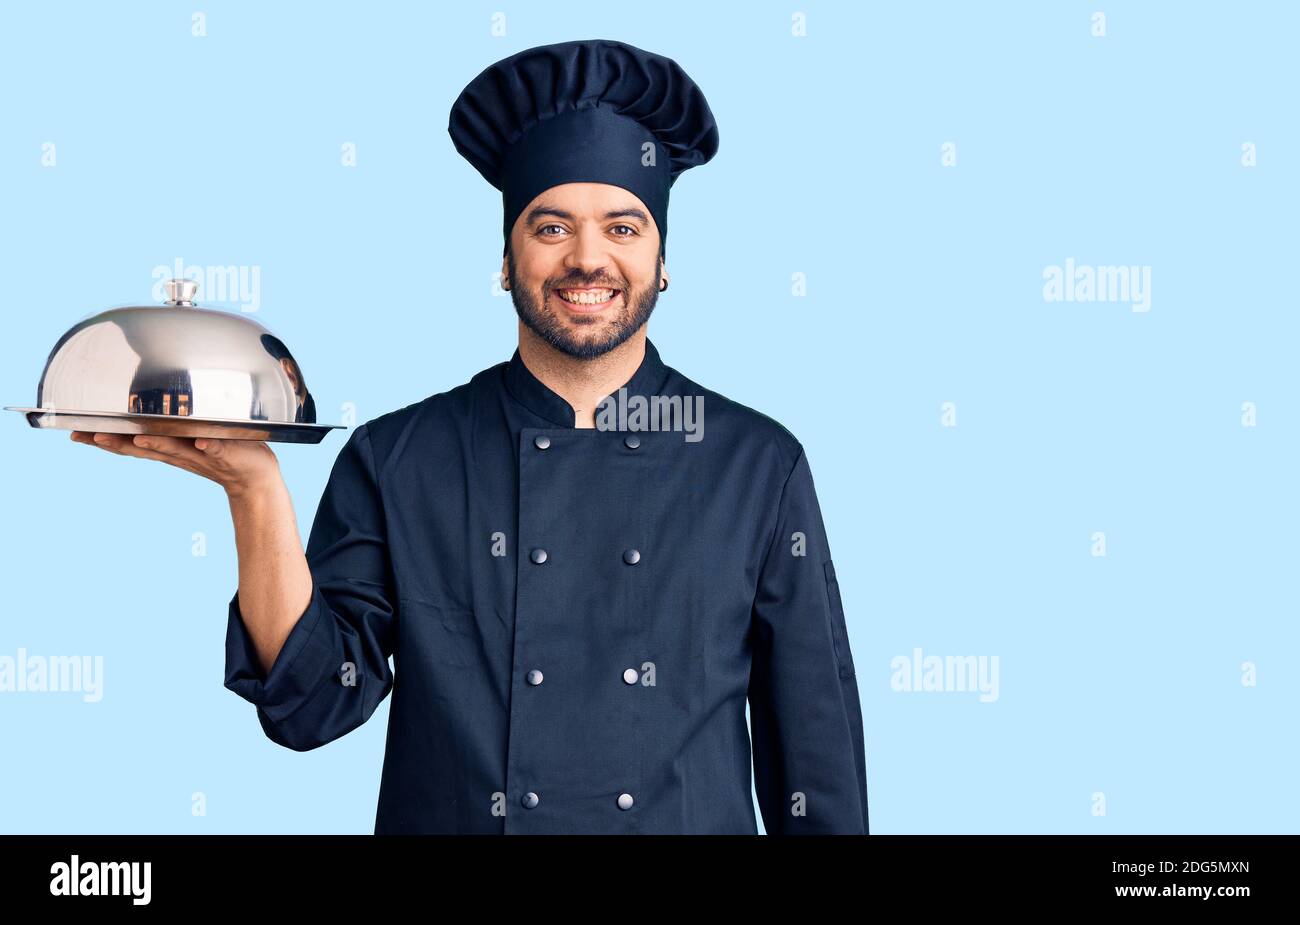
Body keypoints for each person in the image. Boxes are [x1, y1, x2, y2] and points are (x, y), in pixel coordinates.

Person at [73, 39, 868, 835]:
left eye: (624, 228)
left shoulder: (756, 465)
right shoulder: (401, 458)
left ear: (663, 259)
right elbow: (310, 704)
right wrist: (256, 489)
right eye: (551, 226)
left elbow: (818, 765)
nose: (588, 258)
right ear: (506, 255)